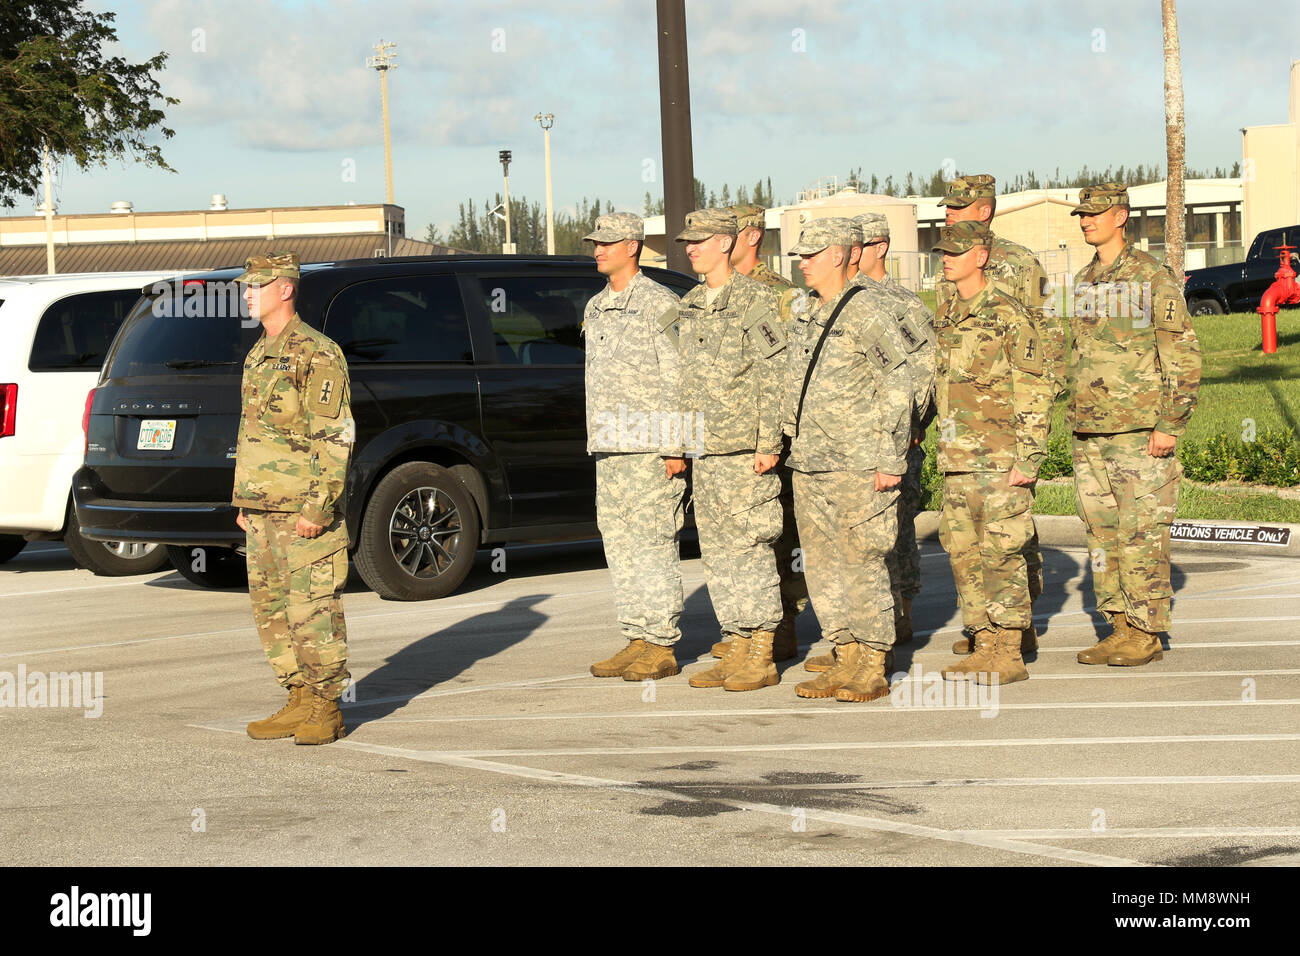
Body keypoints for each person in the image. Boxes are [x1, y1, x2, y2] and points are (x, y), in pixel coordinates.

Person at [782, 218, 915, 702]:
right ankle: (844, 655)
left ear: (839, 255)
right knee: (821, 566)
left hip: (859, 462)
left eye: (811, 255)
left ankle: (873, 663)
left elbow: (897, 388)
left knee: (861, 563)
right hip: (810, 461)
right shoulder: (806, 313)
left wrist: (890, 458)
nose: (802, 264)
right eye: (800, 256)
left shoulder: (868, 312)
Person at [1068, 182, 1201, 666]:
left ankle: (1145, 630)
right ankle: (1119, 625)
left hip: (1140, 432)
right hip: (1091, 434)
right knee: (1101, 533)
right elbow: (1082, 355)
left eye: (1095, 214)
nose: (1086, 221)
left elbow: (1182, 354)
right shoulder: (1084, 279)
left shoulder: (1151, 275)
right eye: (1081, 215)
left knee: (1141, 531)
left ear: (1121, 215)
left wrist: (1170, 423)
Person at [938, 174, 1061, 657]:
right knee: (964, 548)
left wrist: (1030, 450)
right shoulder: (950, 294)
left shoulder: (1016, 278)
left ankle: (1010, 634)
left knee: (1005, 543)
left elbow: (1038, 361)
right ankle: (986, 633)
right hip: (961, 445)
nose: (948, 216)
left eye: (959, 209)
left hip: (999, 441)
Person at [233, 251, 354, 745]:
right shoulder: (259, 353)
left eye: (255, 285)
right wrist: (244, 500)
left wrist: (318, 506)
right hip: (263, 509)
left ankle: (327, 706)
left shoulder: (317, 353)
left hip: (303, 509)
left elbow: (335, 435)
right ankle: (298, 696)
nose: (246, 293)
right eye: (246, 286)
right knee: (273, 610)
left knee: (313, 609)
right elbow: (253, 433)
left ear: (285, 288)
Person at [674, 208, 788, 692]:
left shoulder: (756, 300)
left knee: (751, 549)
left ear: (726, 242)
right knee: (718, 555)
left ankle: (761, 651)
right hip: (707, 451)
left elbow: (774, 373)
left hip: (745, 450)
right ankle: (735, 642)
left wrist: (768, 442)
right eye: (688, 241)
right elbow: (684, 382)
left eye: (699, 240)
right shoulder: (692, 302)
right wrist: (677, 443)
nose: (691, 248)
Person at [583, 213, 690, 682]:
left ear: (633, 246)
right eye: (595, 243)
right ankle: (637, 635)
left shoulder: (660, 303)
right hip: (611, 446)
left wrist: (676, 445)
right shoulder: (595, 306)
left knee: (652, 543)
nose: (597, 250)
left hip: (650, 447)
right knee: (620, 544)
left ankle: (662, 642)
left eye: (607, 243)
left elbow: (679, 376)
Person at [722, 202, 808, 662]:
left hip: (774, 437)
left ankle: (784, 625)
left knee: (781, 533)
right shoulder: (719, 291)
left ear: (751, 236)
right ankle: (748, 627)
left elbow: (789, 366)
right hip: (734, 434)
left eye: (728, 233)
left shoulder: (782, 294)